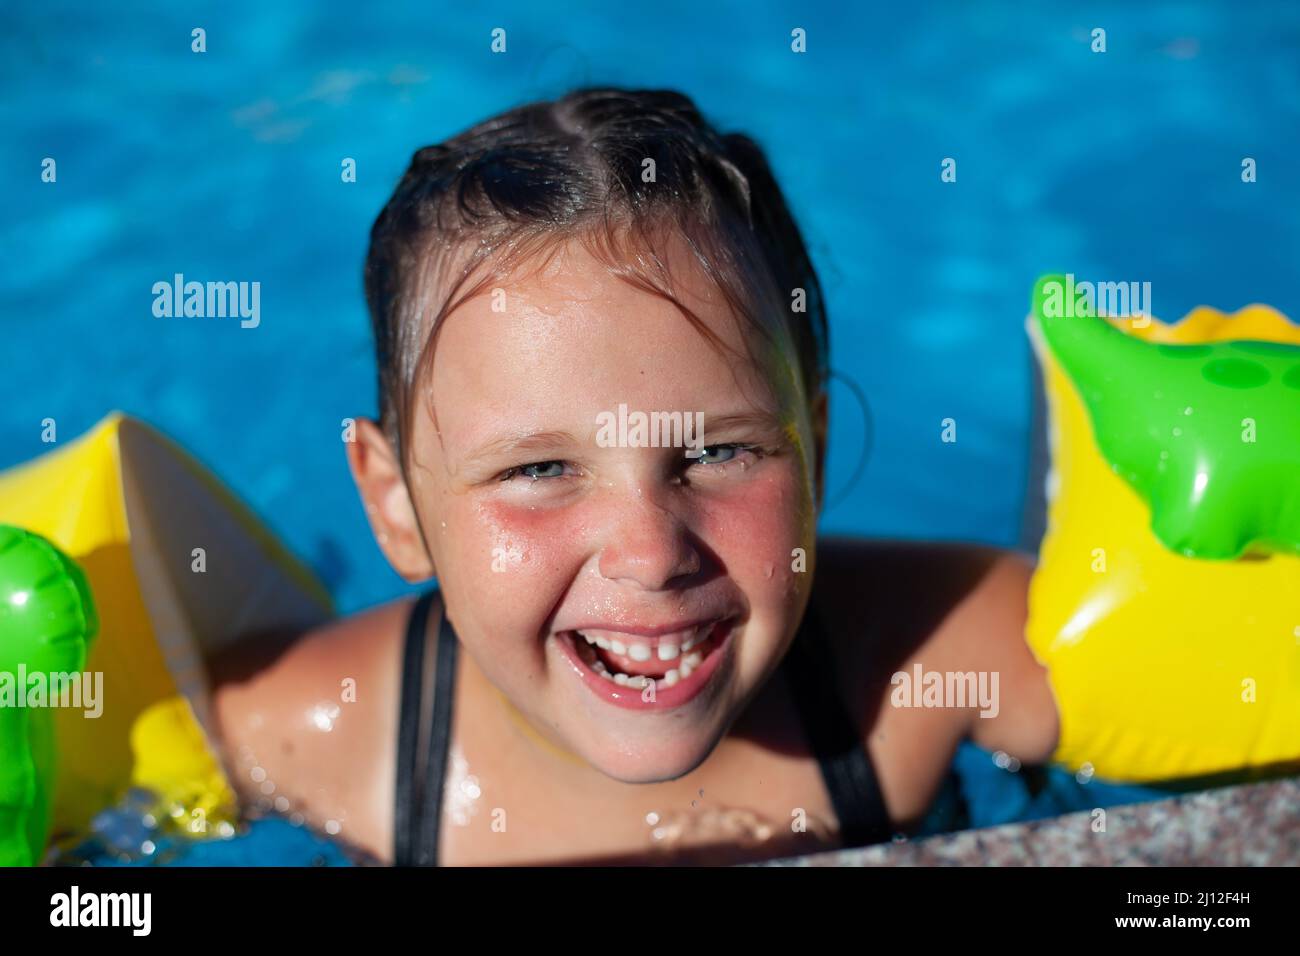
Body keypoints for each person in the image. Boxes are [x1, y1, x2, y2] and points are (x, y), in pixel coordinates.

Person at [210, 87, 1057, 866]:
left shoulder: (944, 657)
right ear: (395, 504)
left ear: (814, 451)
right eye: (539, 467)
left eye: (718, 453)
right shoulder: (305, 741)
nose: (651, 556)